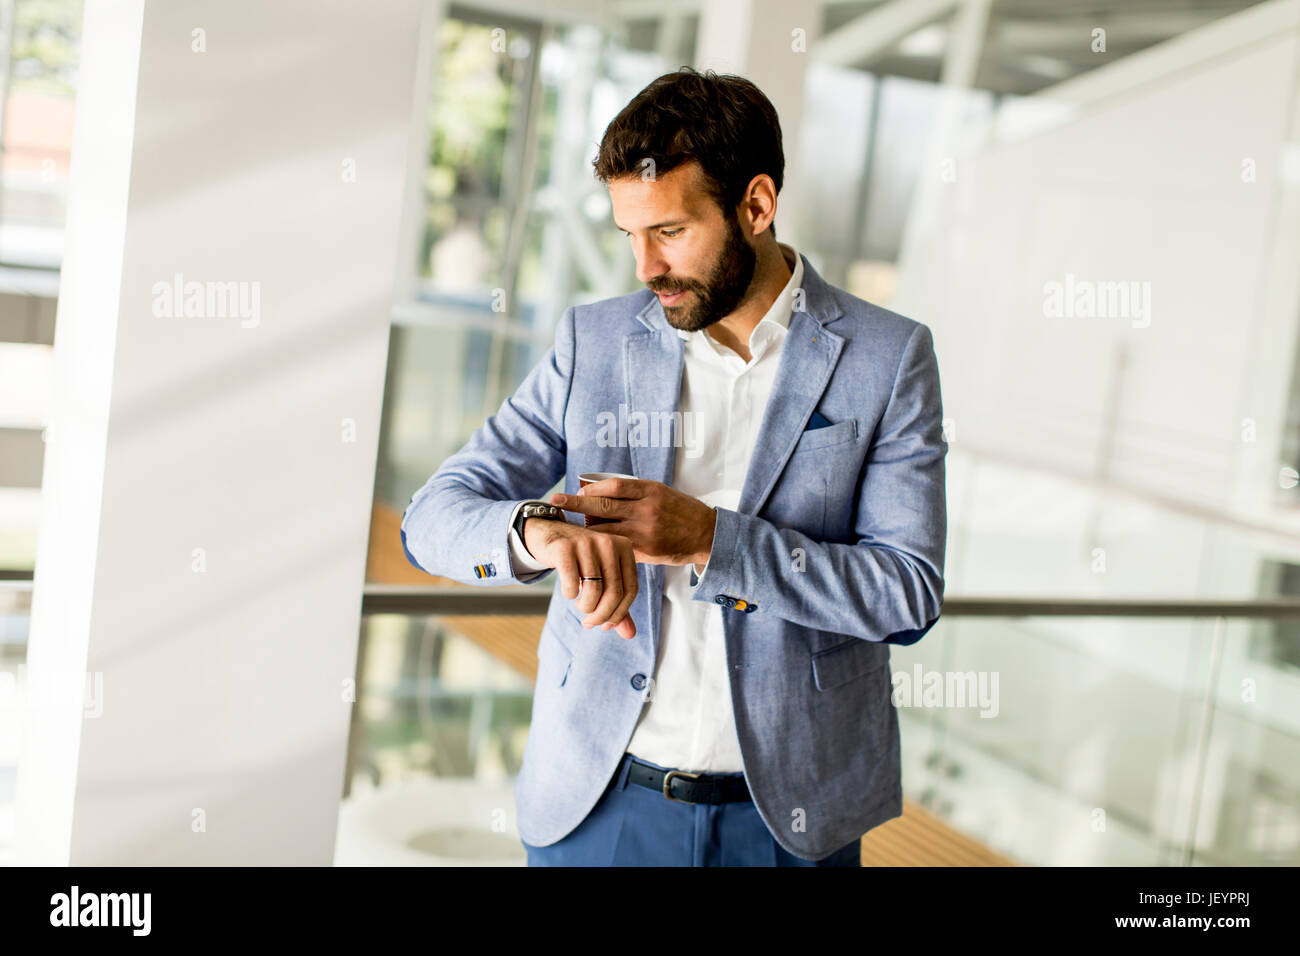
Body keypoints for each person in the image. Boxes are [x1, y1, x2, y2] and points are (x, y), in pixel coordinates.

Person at [401, 66, 947, 866]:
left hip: (790, 825)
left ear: (756, 206)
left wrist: (710, 540)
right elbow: (432, 517)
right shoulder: (594, 341)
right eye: (630, 236)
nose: (644, 269)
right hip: (598, 806)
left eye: (669, 232)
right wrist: (537, 531)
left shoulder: (889, 357)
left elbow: (906, 594)